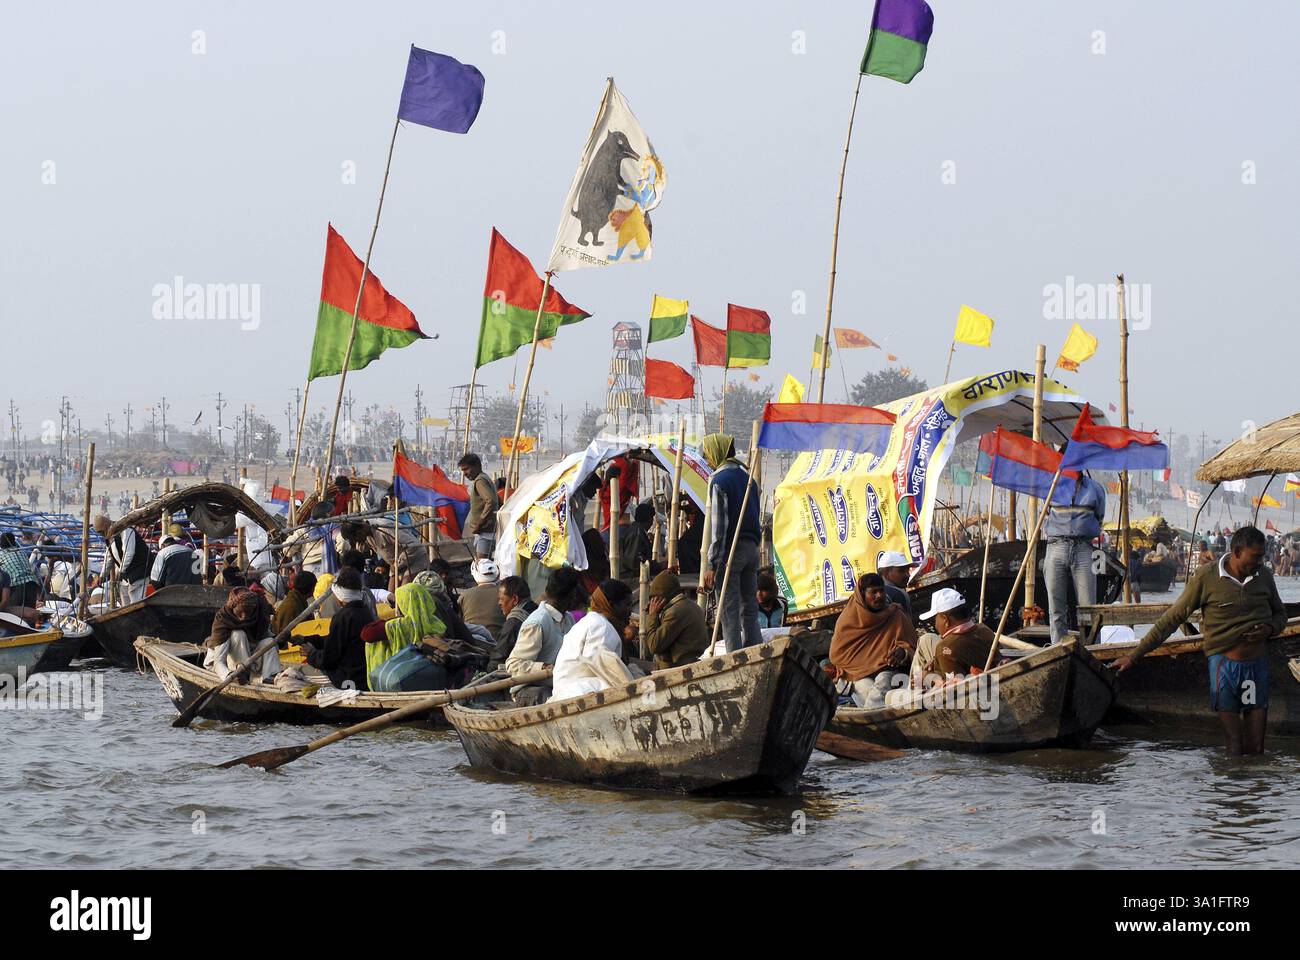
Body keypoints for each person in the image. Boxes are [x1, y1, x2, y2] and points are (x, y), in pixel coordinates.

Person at [1113, 526, 1286, 756]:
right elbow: (1173, 618)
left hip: (1256, 668)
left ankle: (1254, 791)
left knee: (1256, 750)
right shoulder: (1207, 577)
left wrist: (1269, 628)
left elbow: (1281, 615)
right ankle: (1229, 789)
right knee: (1234, 746)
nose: (1259, 562)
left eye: (1261, 556)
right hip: (1224, 668)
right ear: (1236, 552)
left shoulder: (1264, 576)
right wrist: (1134, 655)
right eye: (1254, 557)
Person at [700, 433, 762, 653]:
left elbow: (719, 528)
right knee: (750, 608)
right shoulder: (749, 480)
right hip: (753, 550)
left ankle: (734, 656)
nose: (707, 461)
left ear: (715, 453)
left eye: (707, 456)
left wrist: (712, 563)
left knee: (729, 611)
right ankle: (755, 651)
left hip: (732, 551)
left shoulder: (719, 481)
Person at [827, 573, 917, 709]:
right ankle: (876, 718)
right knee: (865, 689)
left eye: (881, 591)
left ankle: (873, 720)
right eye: (873, 592)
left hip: (890, 672)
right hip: (857, 676)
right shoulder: (847, 620)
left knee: (883, 679)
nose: (879, 596)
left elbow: (913, 648)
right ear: (862, 594)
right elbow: (838, 656)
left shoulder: (896, 614)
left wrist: (902, 653)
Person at [1042, 471, 1106, 644]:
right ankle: (1058, 650)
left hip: (1084, 548)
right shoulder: (1052, 485)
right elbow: (1046, 514)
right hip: (1056, 546)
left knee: (1088, 608)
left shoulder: (1096, 489)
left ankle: (1091, 650)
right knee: (1056, 607)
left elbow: (1099, 518)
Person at [505, 567, 585, 704]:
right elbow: (513, 664)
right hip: (531, 690)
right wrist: (544, 667)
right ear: (572, 596)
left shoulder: (569, 619)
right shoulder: (537, 623)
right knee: (551, 697)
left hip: (559, 685)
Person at [551, 579, 636, 701]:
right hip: (574, 692)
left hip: (568, 689)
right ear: (612, 605)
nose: (630, 610)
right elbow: (603, 663)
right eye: (627, 605)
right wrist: (634, 689)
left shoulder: (594, 621)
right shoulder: (601, 626)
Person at [362, 582, 448, 691]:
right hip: (427, 674)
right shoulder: (436, 622)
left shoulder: (402, 625)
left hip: (402, 675)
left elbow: (367, 634)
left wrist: (388, 622)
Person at [300, 566, 373, 690]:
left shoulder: (342, 618)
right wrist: (310, 639)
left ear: (340, 596)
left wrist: (311, 654)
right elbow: (337, 641)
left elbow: (329, 659)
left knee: (301, 670)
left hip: (348, 679)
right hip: (364, 676)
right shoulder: (366, 612)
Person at [910, 588, 996, 689]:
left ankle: (913, 689)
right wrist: (935, 661)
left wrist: (927, 677)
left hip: (966, 692)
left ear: (945, 620)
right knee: (926, 638)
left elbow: (952, 689)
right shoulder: (983, 628)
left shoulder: (945, 648)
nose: (936, 624)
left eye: (936, 619)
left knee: (890, 695)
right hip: (975, 673)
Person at [205, 587, 280, 682]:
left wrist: (280, 638)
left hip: (250, 658)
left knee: (270, 642)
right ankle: (241, 673)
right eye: (240, 612)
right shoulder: (223, 619)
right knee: (238, 634)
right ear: (233, 607)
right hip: (227, 664)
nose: (244, 617)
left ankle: (269, 677)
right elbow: (218, 661)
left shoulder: (259, 613)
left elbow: (264, 634)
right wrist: (229, 675)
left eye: (248, 611)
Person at [643, 570, 709, 670]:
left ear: (659, 598)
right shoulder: (692, 605)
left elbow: (654, 645)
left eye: (653, 599)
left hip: (678, 670)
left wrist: (652, 616)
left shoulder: (674, 613)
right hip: (693, 665)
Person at [93, 515, 150, 603]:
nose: (101, 534)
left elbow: (129, 553)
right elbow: (109, 558)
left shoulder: (126, 530)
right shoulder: (109, 538)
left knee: (136, 603)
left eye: (101, 532)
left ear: (106, 526)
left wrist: (121, 571)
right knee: (125, 602)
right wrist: (102, 575)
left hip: (139, 572)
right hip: (126, 576)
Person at [458, 452, 499, 556]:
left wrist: (480, 523)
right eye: (463, 470)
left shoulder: (479, 481)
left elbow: (491, 500)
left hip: (485, 533)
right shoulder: (485, 478)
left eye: (466, 469)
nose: (465, 473)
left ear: (476, 466)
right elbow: (497, 499)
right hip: (489, 531)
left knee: (482, 566)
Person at [491, 575, 536, 669]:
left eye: (501, 599)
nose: (499, 603)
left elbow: (498, 660)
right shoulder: (537, 609)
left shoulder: (514, 622)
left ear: (515, 599)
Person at [604, 500, 654, 580]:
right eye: (652, 519)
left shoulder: (637, 531)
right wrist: (656, 566)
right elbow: (634, 561)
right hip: (630, 578)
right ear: (649, 520)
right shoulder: (636, 534)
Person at [460, 558, 505, 641]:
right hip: (499, 643)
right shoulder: (505, 593)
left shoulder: (465, 595)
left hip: (471, 642)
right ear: (498, 574)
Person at [0, 531, 42, 613]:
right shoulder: (22, 552)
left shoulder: (1, 555)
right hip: (32, 584)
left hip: (16, 586)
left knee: (13, 616)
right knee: (29, 614)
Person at [149, 525, 200, 590]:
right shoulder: (191, 551)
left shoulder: (163, 553)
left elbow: (155, 580)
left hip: (173, 593)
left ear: (162, 546)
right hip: (194, 590)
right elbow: (198, 575)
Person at [876, 550, 916, 618]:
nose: (908, 575)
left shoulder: (866, 593)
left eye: (908, 570)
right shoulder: (898, 594)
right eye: (902, 571)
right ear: (886, 573)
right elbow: (905, 626)